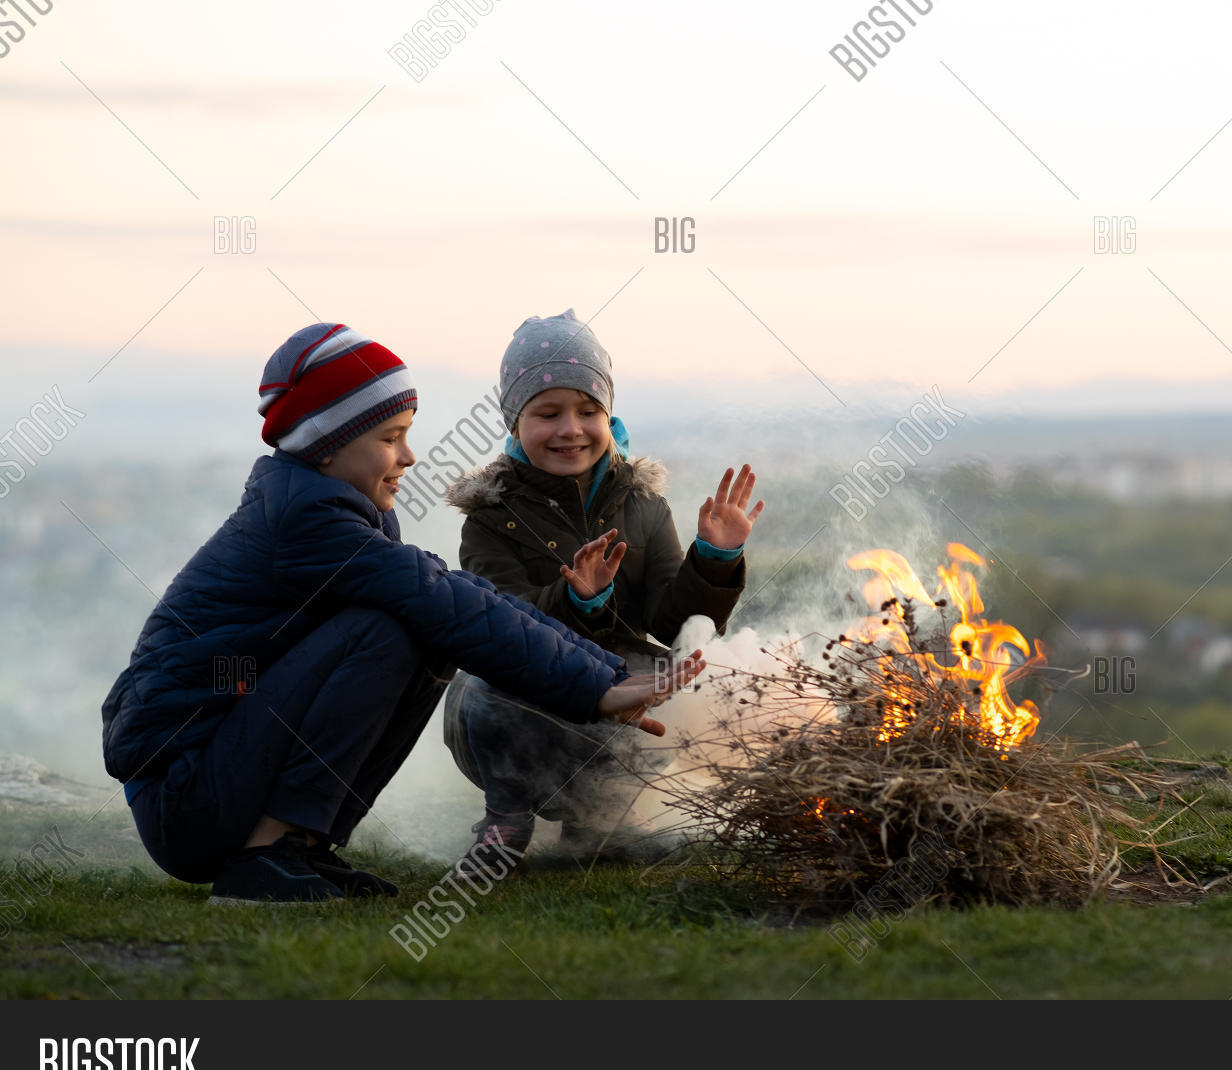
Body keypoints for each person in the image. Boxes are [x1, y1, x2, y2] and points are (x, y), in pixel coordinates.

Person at [100, 323, 702, 905]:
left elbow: (459, 594)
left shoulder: (335, 509)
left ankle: (300, 845)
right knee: (394, 626)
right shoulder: (305, 520)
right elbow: (446, 600)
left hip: (213, 778)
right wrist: (597, 686)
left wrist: (605, 672)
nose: (409, 456)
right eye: (391, 437)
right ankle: (265, 854)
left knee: (417, 625)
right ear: (329, 443)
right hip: (184, 796)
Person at [443, 310, 762, 873]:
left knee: (682, 680)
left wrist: (714, 558)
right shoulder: (490, 518)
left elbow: (674, 624)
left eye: (588, 411)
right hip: (521, 708)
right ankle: (506, 818)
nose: (571, 429)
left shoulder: (643, 505)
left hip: (615, 697)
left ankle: (598, 824)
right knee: (480, 681)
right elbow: (499, 624)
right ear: (515, 421)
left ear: (608, 414)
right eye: (548, 413)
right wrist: (577, 601)